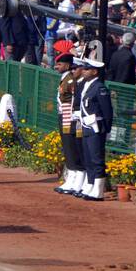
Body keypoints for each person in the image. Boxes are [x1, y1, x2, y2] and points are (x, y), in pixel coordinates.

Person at [76, 56, 113, 201]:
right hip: (87, 126)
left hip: (96, 127)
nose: (84, 71)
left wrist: (107, 129)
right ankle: (90, 185)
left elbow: (107, 111)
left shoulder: (100, 87)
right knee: (88, 158)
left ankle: (98, 191)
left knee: (97, 159)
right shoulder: (88, 85)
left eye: (87, 69)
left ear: (94, 72)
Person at [52, 52, 85, 195]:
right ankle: (71, 177)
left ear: (67, 65)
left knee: (72, 147)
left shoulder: (71, 81)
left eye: (59, 64)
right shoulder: (65, 79)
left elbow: (73, 101)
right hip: (64, 116)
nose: (56, 66)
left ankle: (77, 179)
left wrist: (72, 118)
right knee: (67, 148)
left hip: (70, 117)